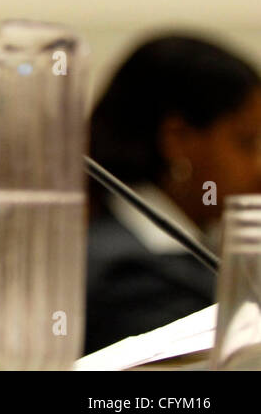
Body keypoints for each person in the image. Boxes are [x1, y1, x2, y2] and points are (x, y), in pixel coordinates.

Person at [84, 33, 261, 353]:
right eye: (246, 142)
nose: (259, 167)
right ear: (178, 139)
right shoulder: (131, 279)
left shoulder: (187, 250)